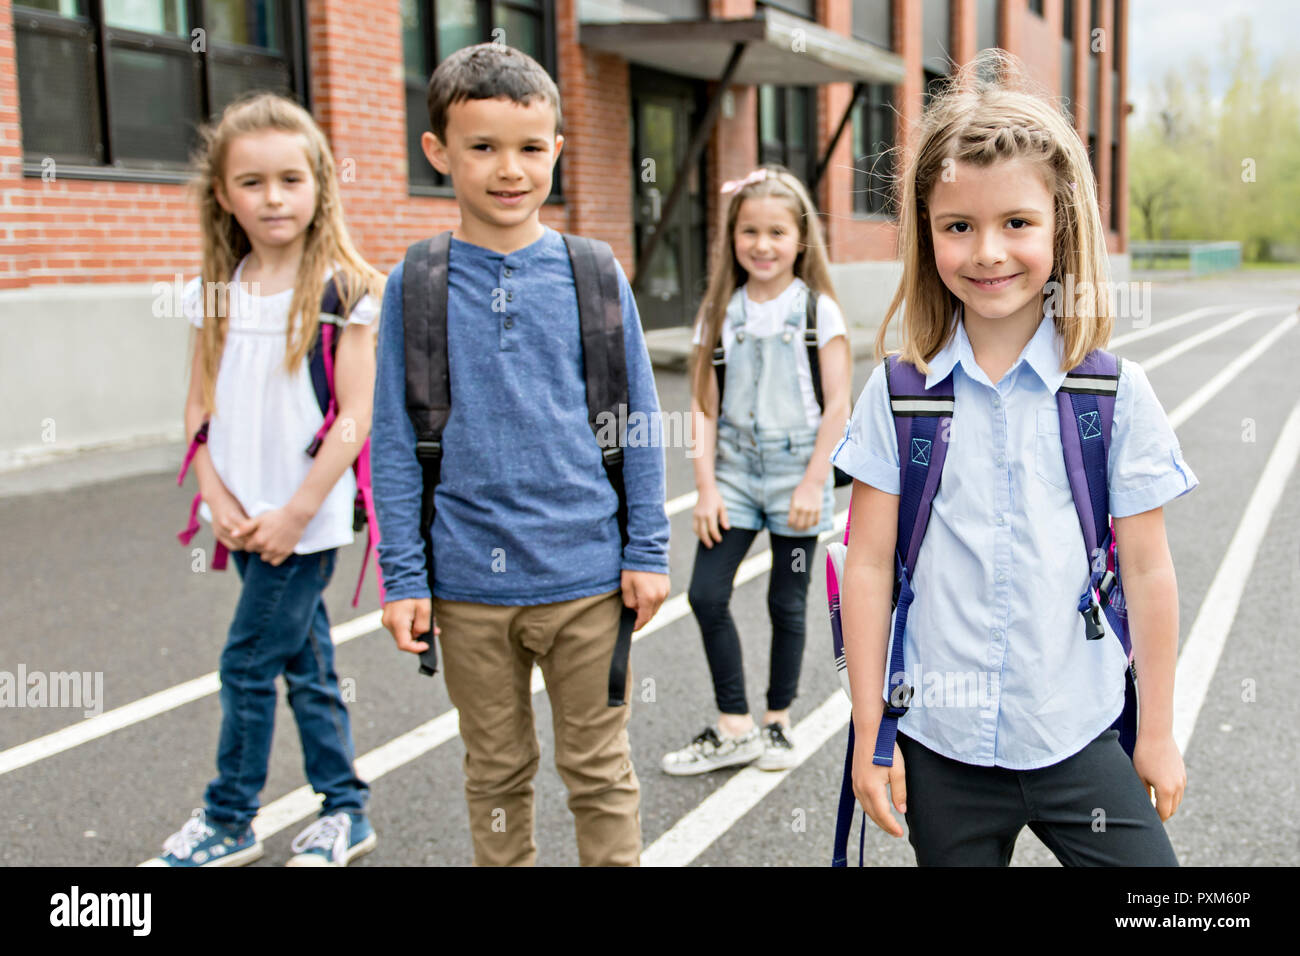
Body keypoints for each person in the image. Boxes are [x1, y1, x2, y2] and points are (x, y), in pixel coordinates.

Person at [832, 50, 1196, 866]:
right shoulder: (899, 395)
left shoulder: (1114, 395)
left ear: (1062, 226)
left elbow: (1148, 572)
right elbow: (867, 565)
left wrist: (1160, 732)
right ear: (926, 235)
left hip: (1073, 730)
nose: (987, 252)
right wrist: (868, 733)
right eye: (958, 226)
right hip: (942, 746)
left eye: (1017, 224)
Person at [371, 43, 671, 867]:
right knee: (496, 774)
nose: (510, 169)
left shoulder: (593, 272)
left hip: (586, 579)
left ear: (557, 152)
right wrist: (403, 576)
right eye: (483, 147)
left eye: (531, 148)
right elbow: (394, 439)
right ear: (437, 152)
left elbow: (637, 417)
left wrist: (646, 547)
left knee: (599, 772)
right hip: (467, 587)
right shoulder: (417, 281)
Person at [144, 93, 384, 868]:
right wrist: (215, 497)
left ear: (319, 185)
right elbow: (197, 407)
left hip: (301, 527)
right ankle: (345, 809)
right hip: (242, 522)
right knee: (306, 667)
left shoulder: (343, 291)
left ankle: (230, 818)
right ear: (223, 194)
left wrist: (295, 513)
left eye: (290, 179)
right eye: (252, 182)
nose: (273, 197)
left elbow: (354, 417)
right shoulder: (215, 289)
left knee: (246, 664)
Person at [661, 165, 851, 775]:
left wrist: (813, 480)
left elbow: (839, 405)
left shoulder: (820, 311)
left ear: (800, 240)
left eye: (776, 232)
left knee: (785, 602)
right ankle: (733, 723)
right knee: (707, 594)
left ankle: (776, 723)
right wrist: (707, 490)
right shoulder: (719, 312)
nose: (762, 245)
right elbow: (703, 406)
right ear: (732, 238)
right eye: (749, 232)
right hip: (737, 477)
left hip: (799, 471)